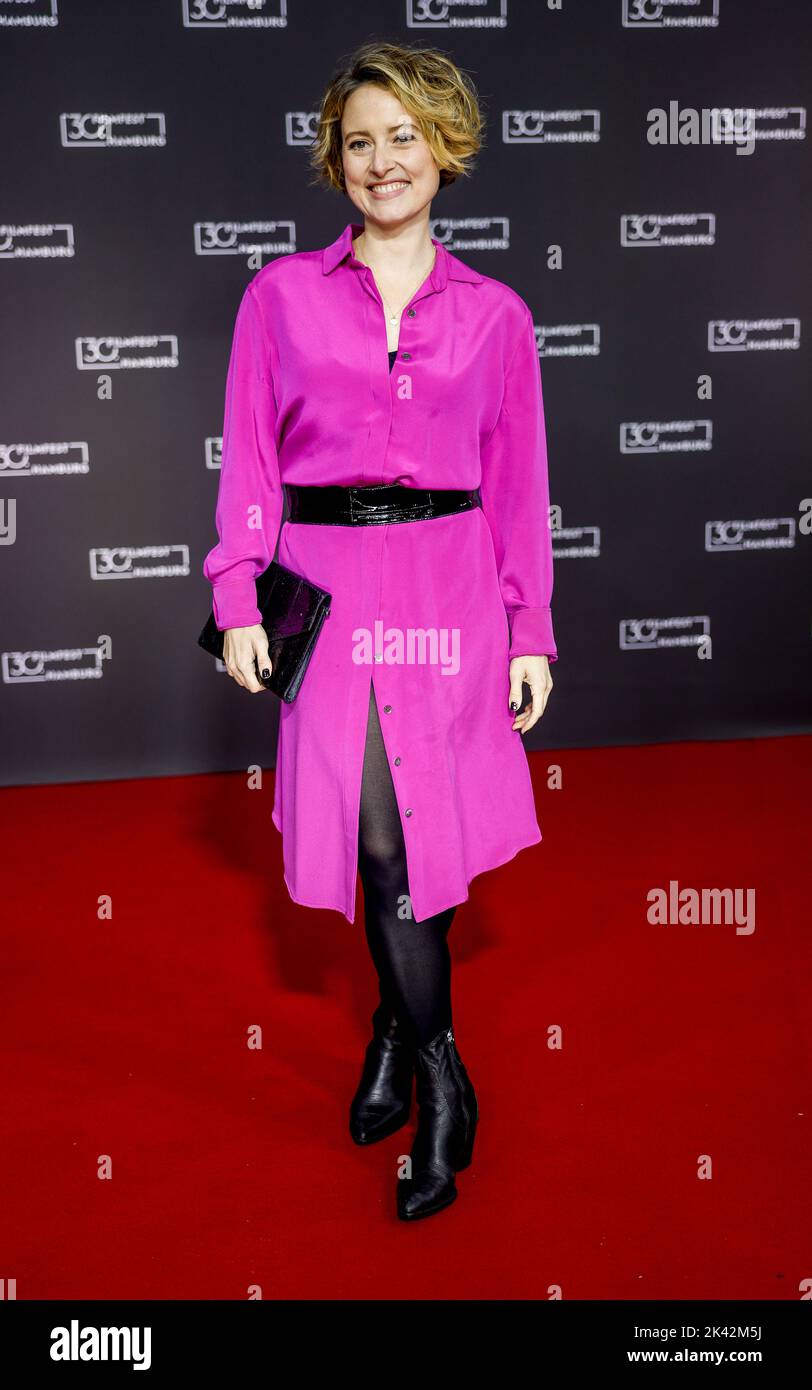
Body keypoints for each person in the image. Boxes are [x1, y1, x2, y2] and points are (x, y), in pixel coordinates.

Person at [202, 40, 558, 1222]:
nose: (381, 160)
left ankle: (397, 1036)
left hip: (450, 590)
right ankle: (444, 1071)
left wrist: (528, 626)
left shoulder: (497, 316)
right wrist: (235, 588)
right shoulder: (279, 297)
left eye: (403, 135)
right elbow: (250, 458)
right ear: (335, 162)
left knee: (425, 829)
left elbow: (513, 484)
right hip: (331, 583)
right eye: (360, 140)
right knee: (382, 845)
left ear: (443, 147)